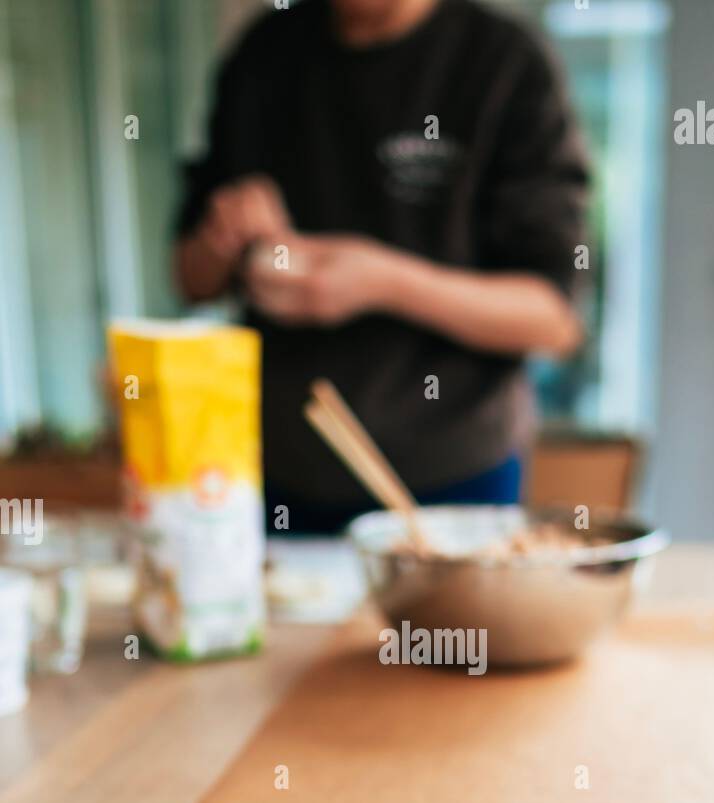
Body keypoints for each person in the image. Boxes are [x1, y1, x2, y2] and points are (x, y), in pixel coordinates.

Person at [174, 0, 590, 533]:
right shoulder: (265, 55)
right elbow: (190, 278)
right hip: (275, 466)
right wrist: (223, 237)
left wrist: (381, 283)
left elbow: (555, 318)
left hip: (454, 474)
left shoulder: (504, 62)